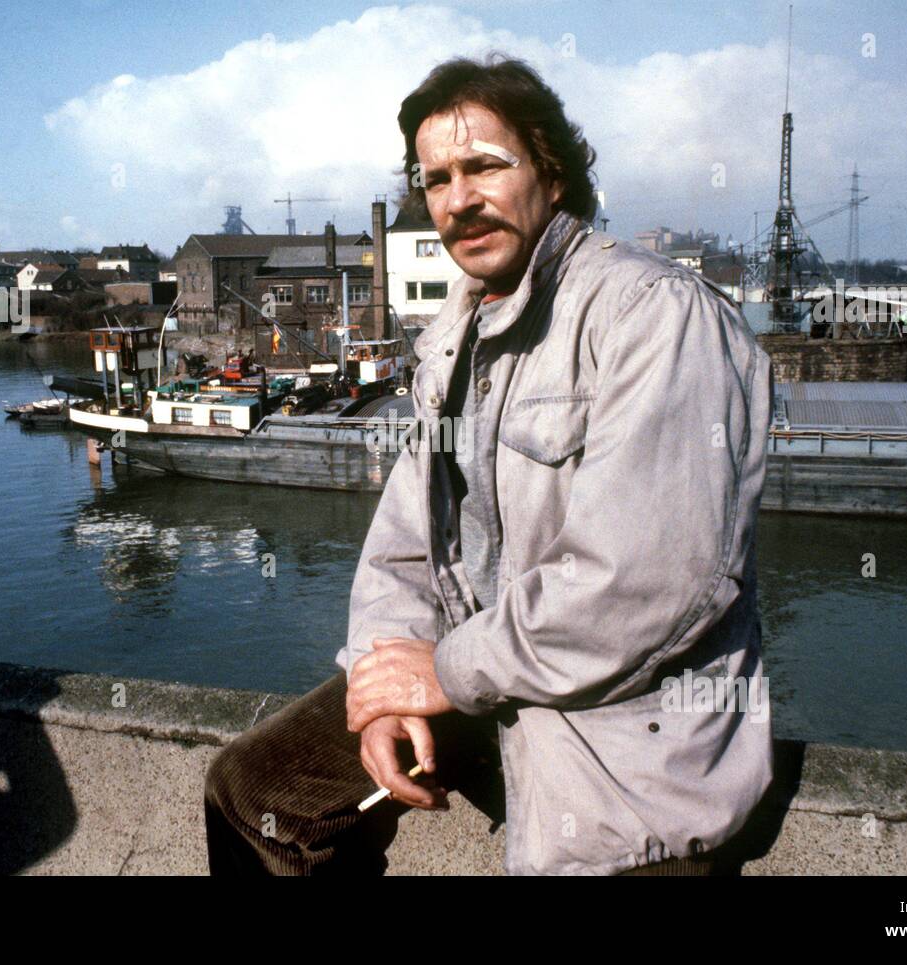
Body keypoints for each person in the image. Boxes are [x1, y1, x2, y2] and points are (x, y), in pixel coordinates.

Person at [204, 53, 774, 876]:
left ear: (551, 169)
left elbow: (647, 581)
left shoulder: (653, 315)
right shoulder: (456, 334)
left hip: (621, 730)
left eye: (483, 167)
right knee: (253, 789)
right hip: (487, 684)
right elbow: (403, 546)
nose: (457, 199)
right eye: (435, 179)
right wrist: (379, 692)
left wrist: (443, 671)